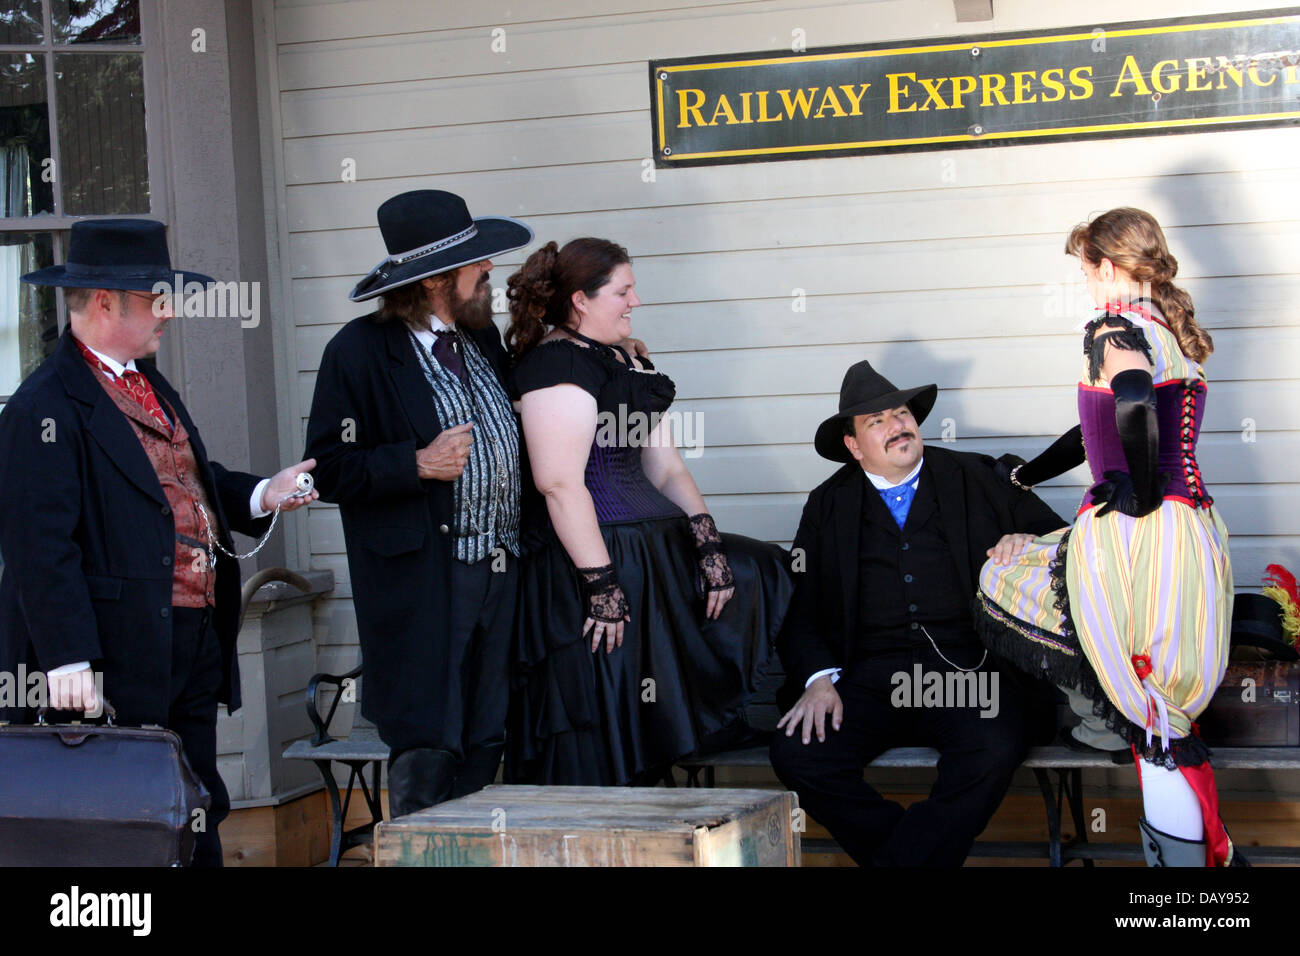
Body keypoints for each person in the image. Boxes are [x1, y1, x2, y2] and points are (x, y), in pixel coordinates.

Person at [0, 218, 317, 866]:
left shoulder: (148, 381)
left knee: (195, 800)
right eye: (155, 296)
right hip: (113, 653)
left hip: (188, 637)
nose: (168, 311)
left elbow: (185, 478)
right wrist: (67, 660)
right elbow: (38, 541)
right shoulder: (43, 405)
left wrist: (262, 493)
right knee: (120, 818)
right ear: (105, 302)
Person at [975, 207, 1237, 866]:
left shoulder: (1112, 323)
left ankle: (1181, 891)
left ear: (1109, 267)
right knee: (1159, 712)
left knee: (1002, 581)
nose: (1086, 285)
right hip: (1189, 533)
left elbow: (1134, 399)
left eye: (1086, 270)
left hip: (1139, 539)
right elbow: (1103, 422)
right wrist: (1029, 472)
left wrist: (1137, 494)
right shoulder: (1168, 326)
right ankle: (1188, 888)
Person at [503, 237, 792, 786]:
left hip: (655, 542)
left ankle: (706, 726)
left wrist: (707, 545)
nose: (635, 301)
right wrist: (601, 584)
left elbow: (666, 469)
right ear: (581, 301)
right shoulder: (556, 364)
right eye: (623, 290)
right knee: (613, 699)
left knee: (763, 567)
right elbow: (560, 482)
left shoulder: (621, 360)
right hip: (600, 550)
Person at [769, 360, 1065, 866]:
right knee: (800, 752)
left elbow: (1063, 541)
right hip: (869, 678)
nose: (897, 426)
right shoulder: (828, 504)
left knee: (993, 747)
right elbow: (801, 604)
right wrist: (818, 680)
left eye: (901, 413)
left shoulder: (977, 476)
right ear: (853, 445)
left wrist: (1029, 541)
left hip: (967, 672)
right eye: (876, 422)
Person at [304, 190, 534, 816]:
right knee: (431, 734)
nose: (490, 272)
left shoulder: (483, 340)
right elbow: (327, 469)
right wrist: (413, 464)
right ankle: (421, 850)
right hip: (424, 576)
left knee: (488, 727)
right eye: (476, 265)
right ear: (435, 280)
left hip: (499, 568)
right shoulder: (358, 353)